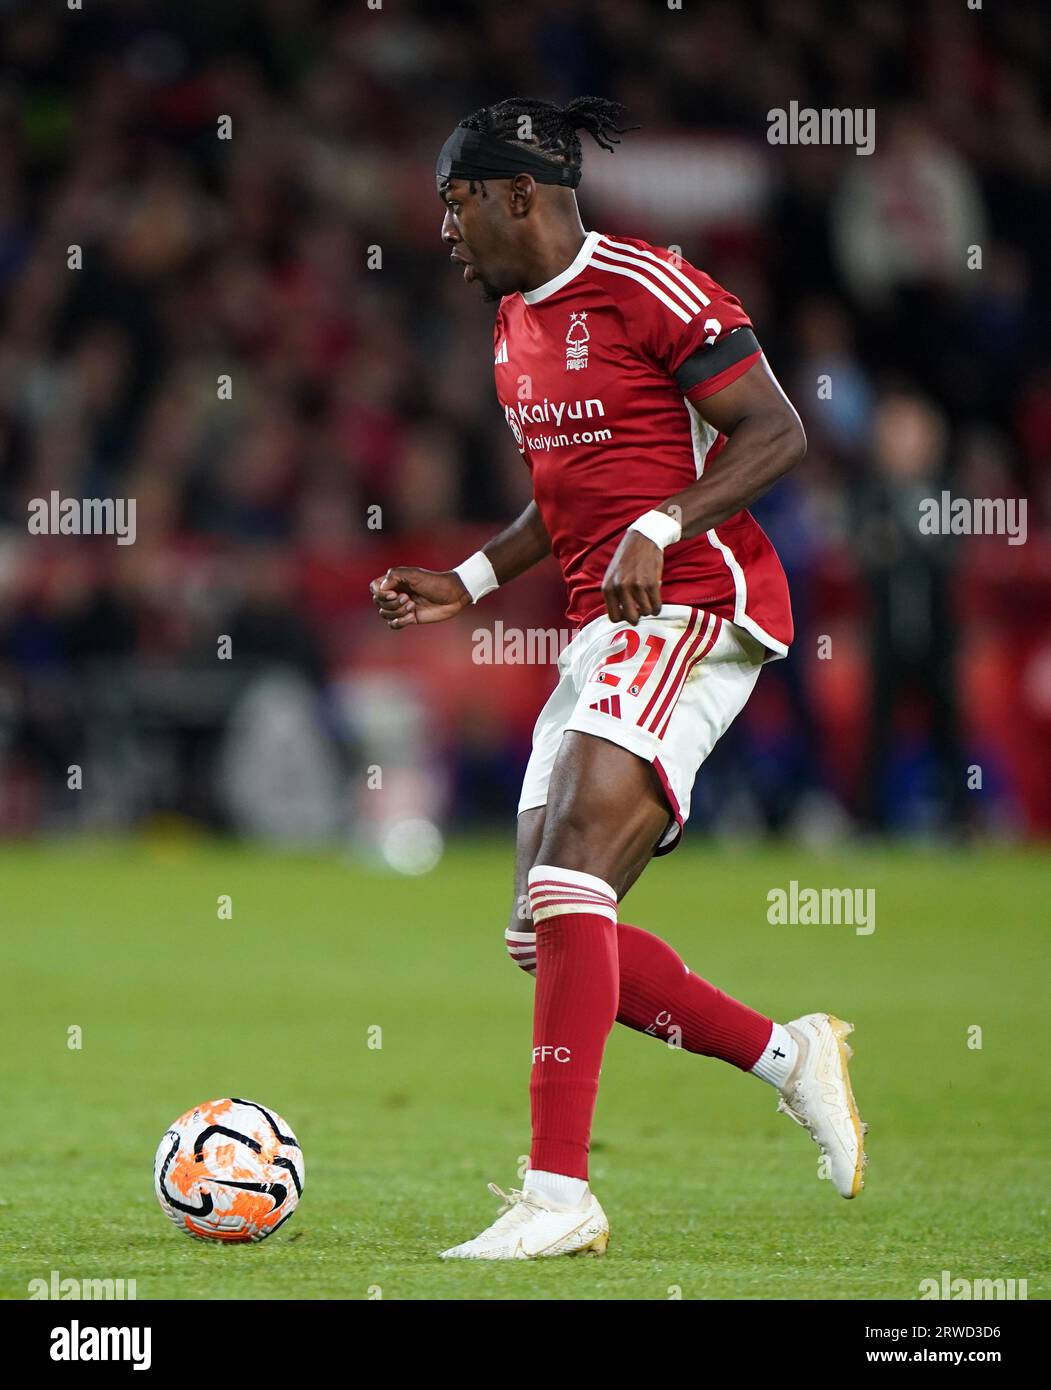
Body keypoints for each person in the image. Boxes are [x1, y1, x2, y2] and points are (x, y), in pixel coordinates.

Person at [370, 97, 866, 1260]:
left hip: (698, 596)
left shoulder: (650, 285)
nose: (443, 229)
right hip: (604, 620)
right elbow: (564, 495)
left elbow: (776, 430)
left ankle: (558, 1194)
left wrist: (663, 520)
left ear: (516, 196)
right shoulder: (511, 329)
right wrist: (472, 580)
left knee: (575, 866)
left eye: (454, 203)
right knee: (543, 927)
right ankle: (787, 1054)